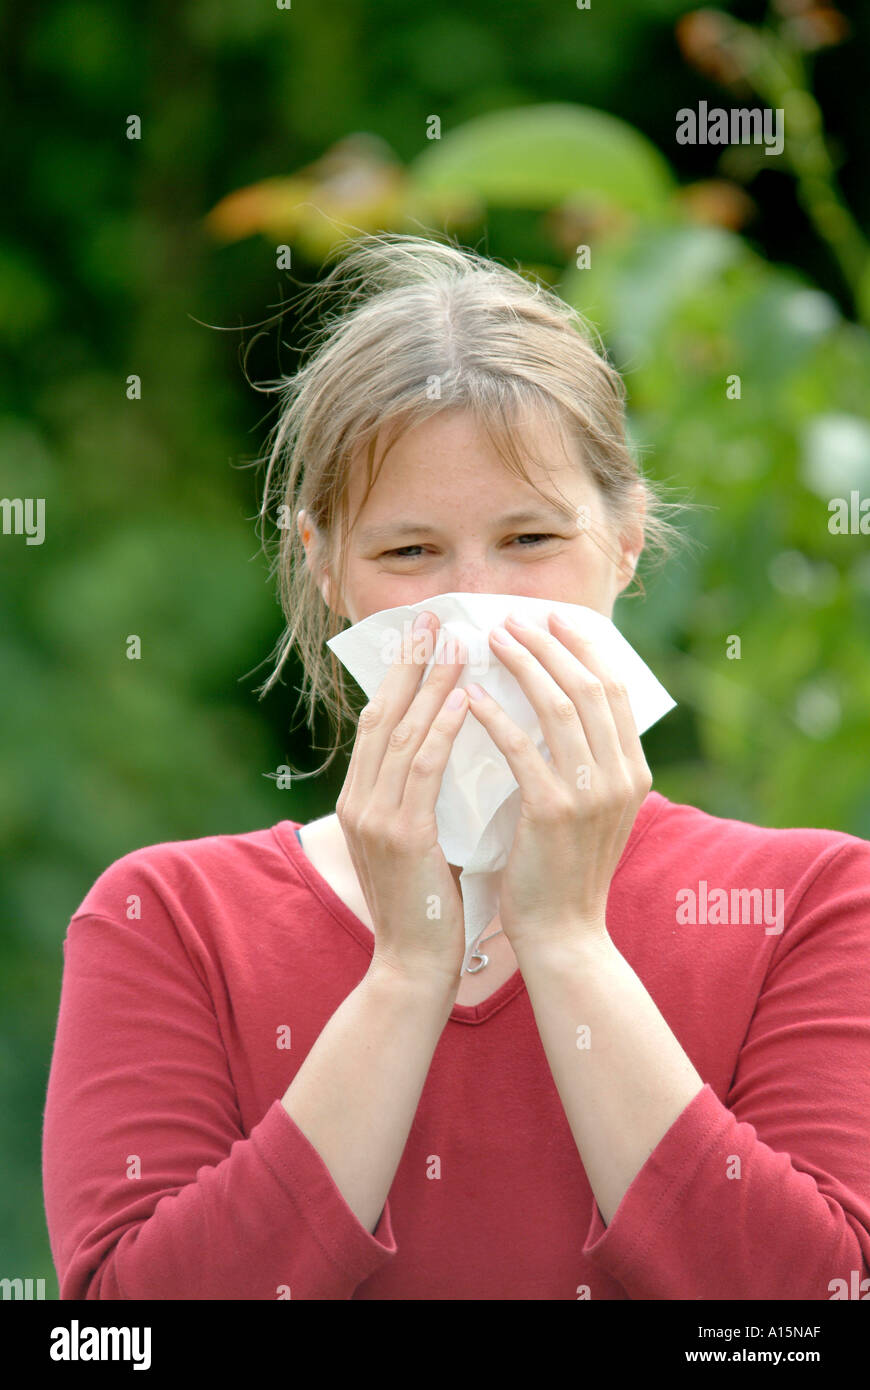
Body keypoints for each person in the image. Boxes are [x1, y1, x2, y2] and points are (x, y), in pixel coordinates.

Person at [43, 232, 870, 1300]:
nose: (477, 605)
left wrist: (567, 939)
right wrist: (404, 972)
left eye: (530, 540)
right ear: (325, 564)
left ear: (626, 541)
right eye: (410, 553)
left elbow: (812, 1312)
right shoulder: (171, 918)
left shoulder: (807, 904)